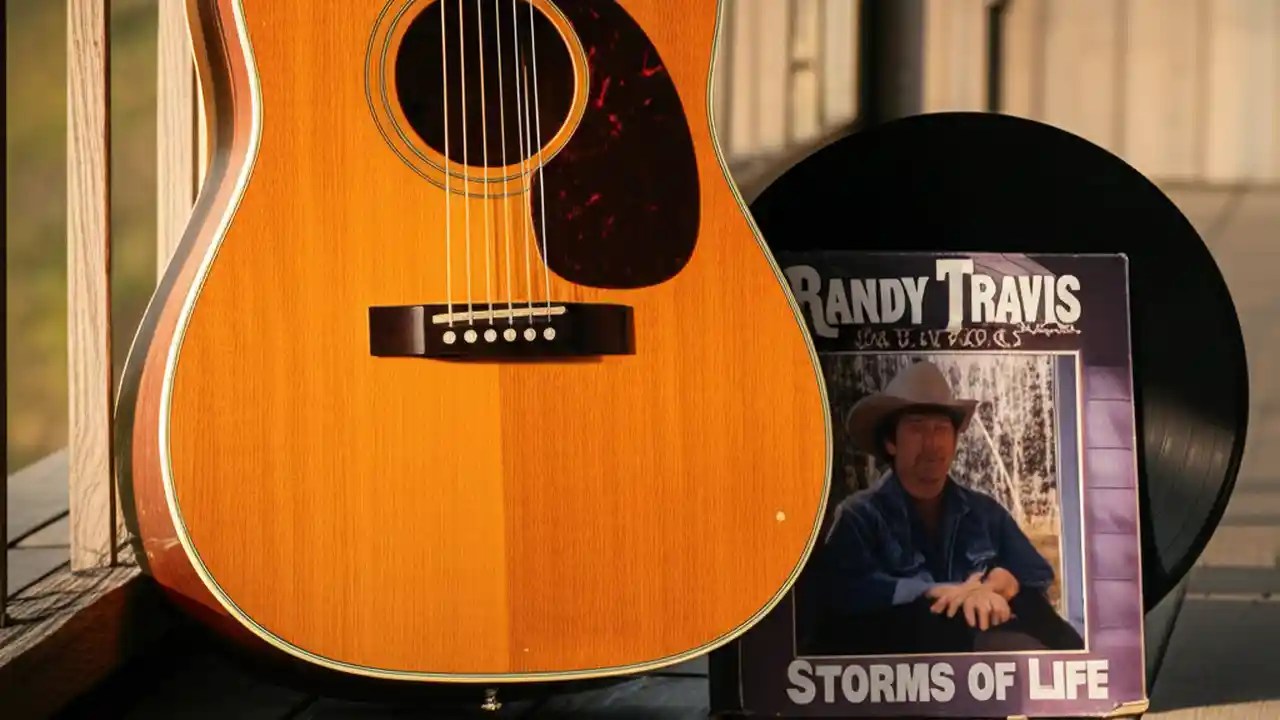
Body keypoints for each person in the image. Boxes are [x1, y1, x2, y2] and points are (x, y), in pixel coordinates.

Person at [808, 360, 1084, 656]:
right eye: (917, 429)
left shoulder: (985, 512)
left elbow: (1036, 573)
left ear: (954, 441)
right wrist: (930, 592)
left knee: (1040, 616)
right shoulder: (859, 515)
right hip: (901, 669)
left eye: (941, 429)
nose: (932, 444)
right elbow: (841, 591)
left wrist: (996, 585)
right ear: (891, 442)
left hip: (982, 660)